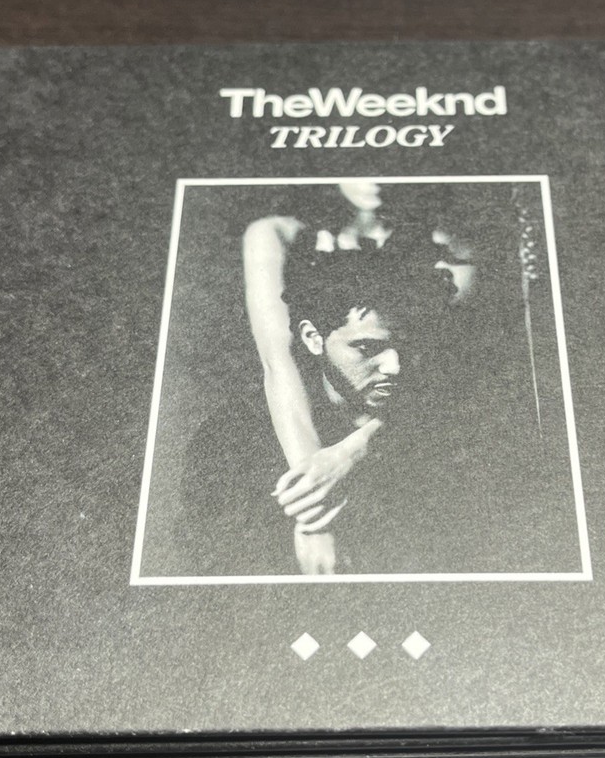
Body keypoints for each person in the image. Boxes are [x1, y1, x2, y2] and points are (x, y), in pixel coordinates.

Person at [242, 180, 476, 568]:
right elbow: (279, 362)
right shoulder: (277, 233)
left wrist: (353, 450)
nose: (376, 177)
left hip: (411, 423)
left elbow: (441, 374)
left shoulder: (447, 246)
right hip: (311, 418)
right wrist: (317, 516)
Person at [181, 245, 450, 575]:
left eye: (405, 345)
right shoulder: (233, 437)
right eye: (367, 347)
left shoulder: (444, 426)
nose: (394, 366)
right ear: (312, 338)